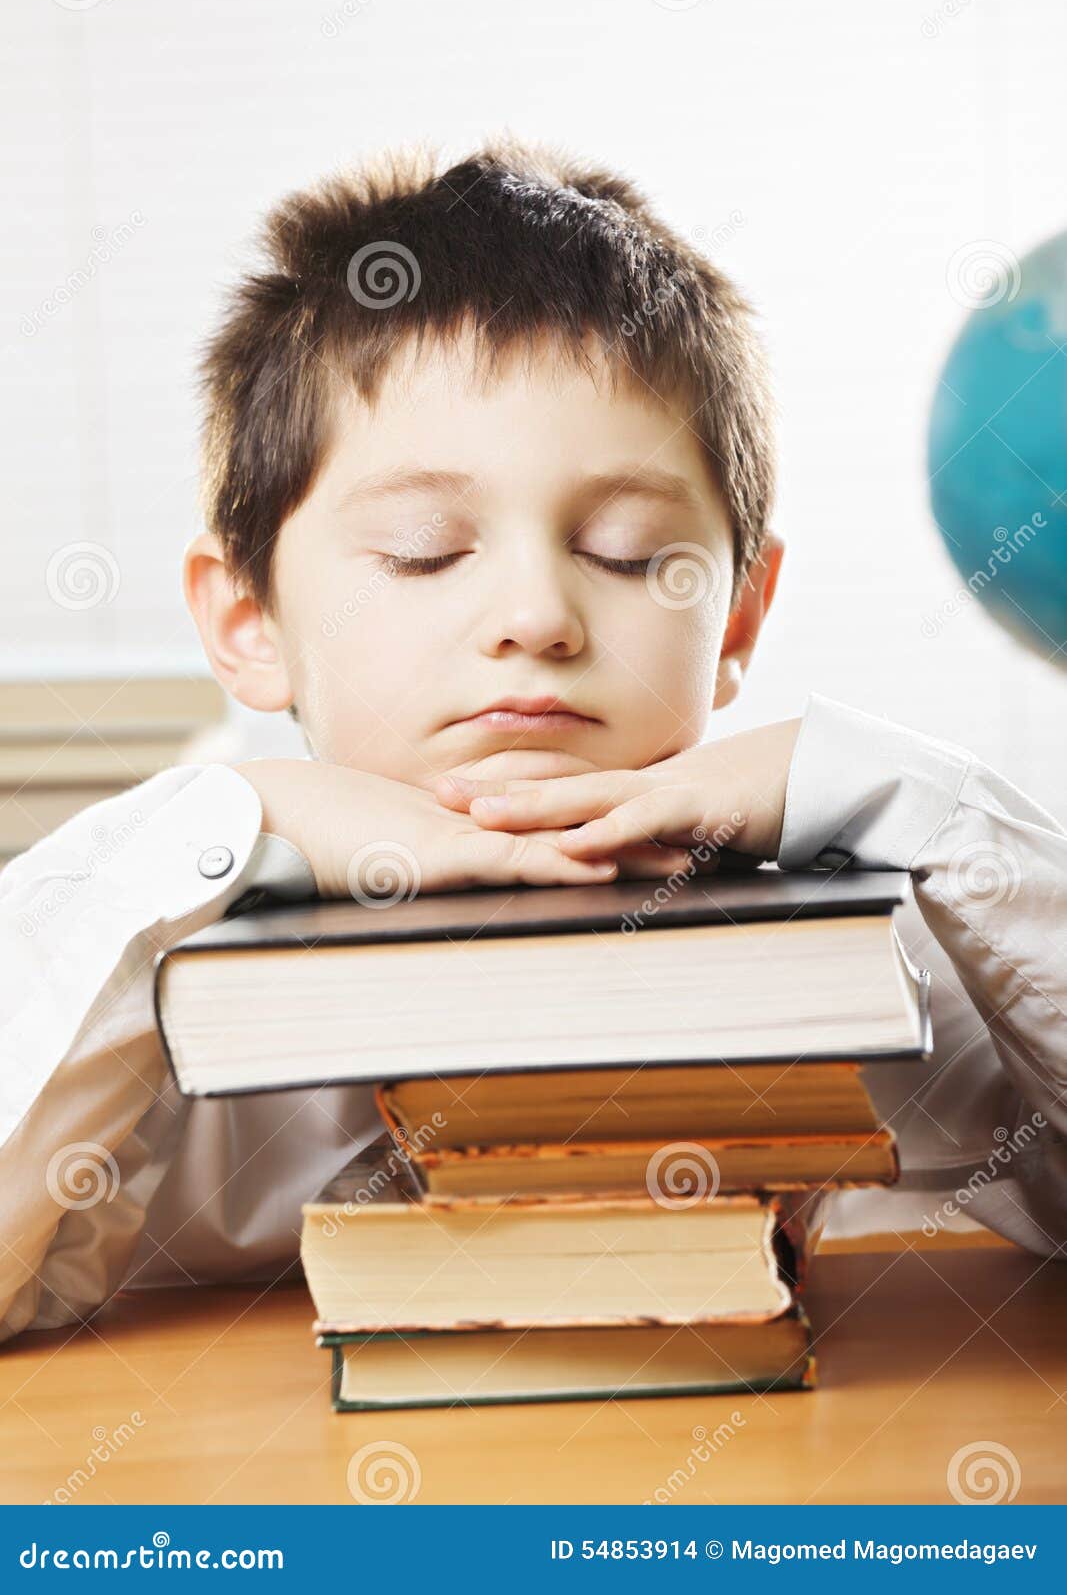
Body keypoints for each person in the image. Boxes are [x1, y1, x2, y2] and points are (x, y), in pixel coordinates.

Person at [2, 140, 1064, 1346]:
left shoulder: (840, 962)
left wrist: (904, 800)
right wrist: (233, 817)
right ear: (250, 622)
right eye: (421, 549)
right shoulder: (159, 993)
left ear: (738, 616)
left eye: (620, 553)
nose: (536, 619)